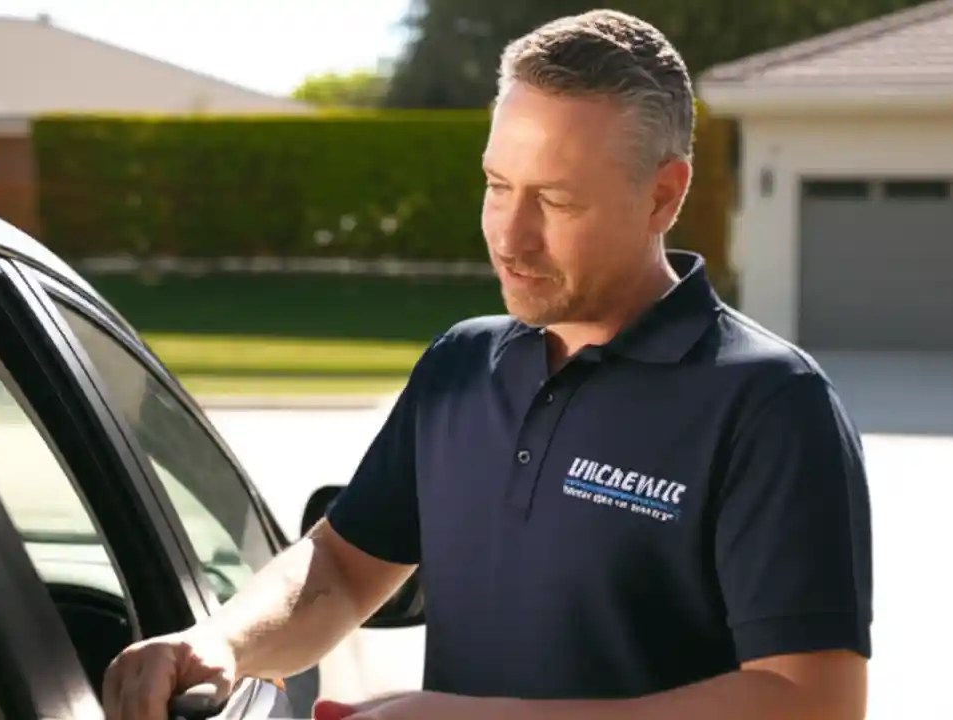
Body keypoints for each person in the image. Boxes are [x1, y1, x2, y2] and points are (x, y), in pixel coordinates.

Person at [103, 9, 873, 720]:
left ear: (662, 197)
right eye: (498, 186)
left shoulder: (770, 403)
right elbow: (340, 569)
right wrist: (220, 641)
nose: (510, 236)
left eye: (557, 201)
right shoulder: (462, 365)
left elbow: (815, 702)